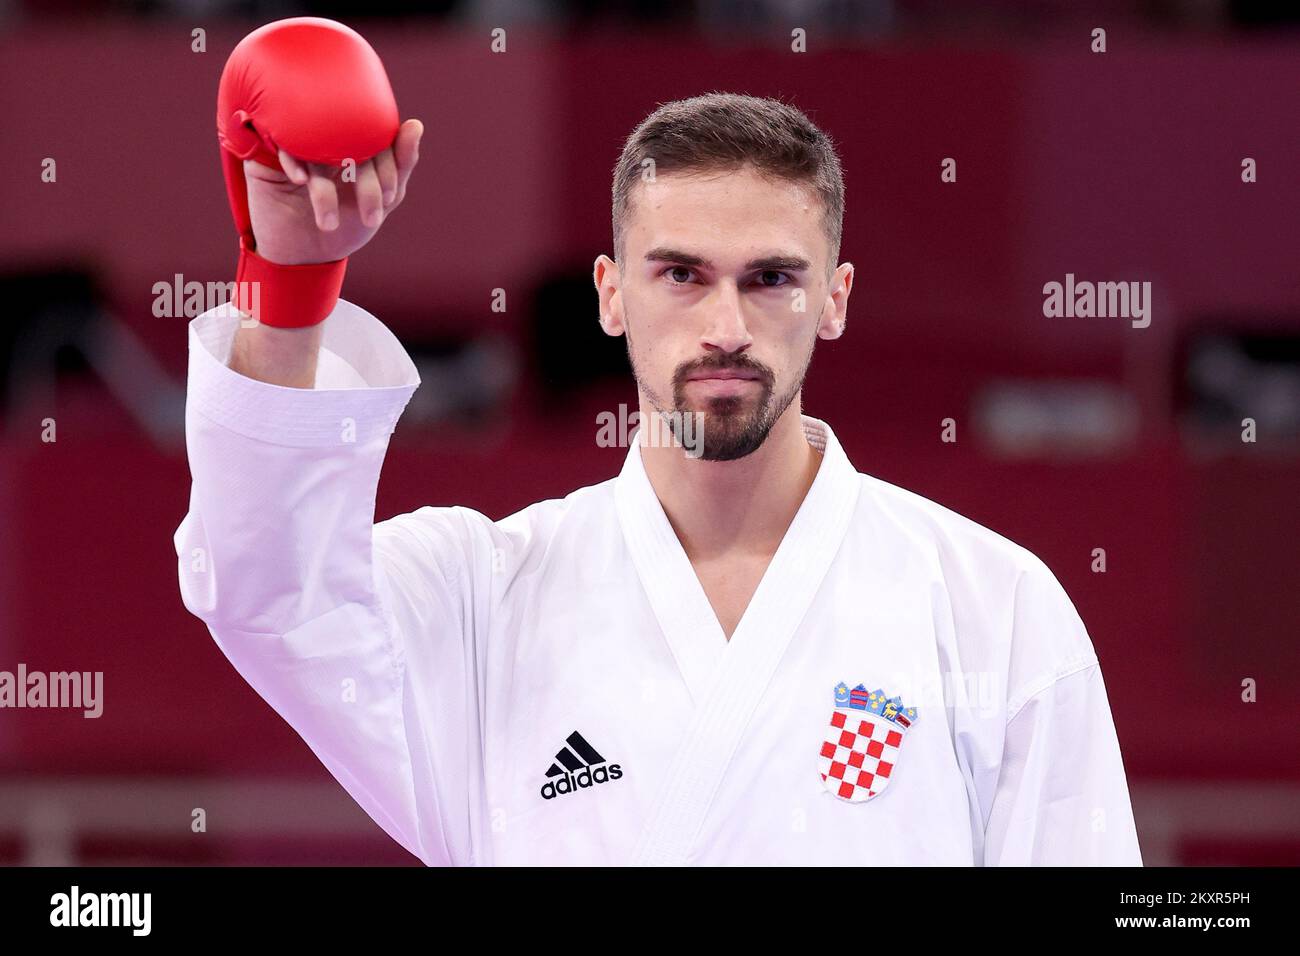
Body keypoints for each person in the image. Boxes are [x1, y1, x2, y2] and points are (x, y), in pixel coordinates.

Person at [176, 18, 1142, 866]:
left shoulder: (993, 609)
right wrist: (291, 284)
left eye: (771, 278)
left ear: (834, 300)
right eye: (681, 274)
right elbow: (270, 589)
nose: (726, 324)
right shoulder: (481, 597)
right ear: (610, 293)